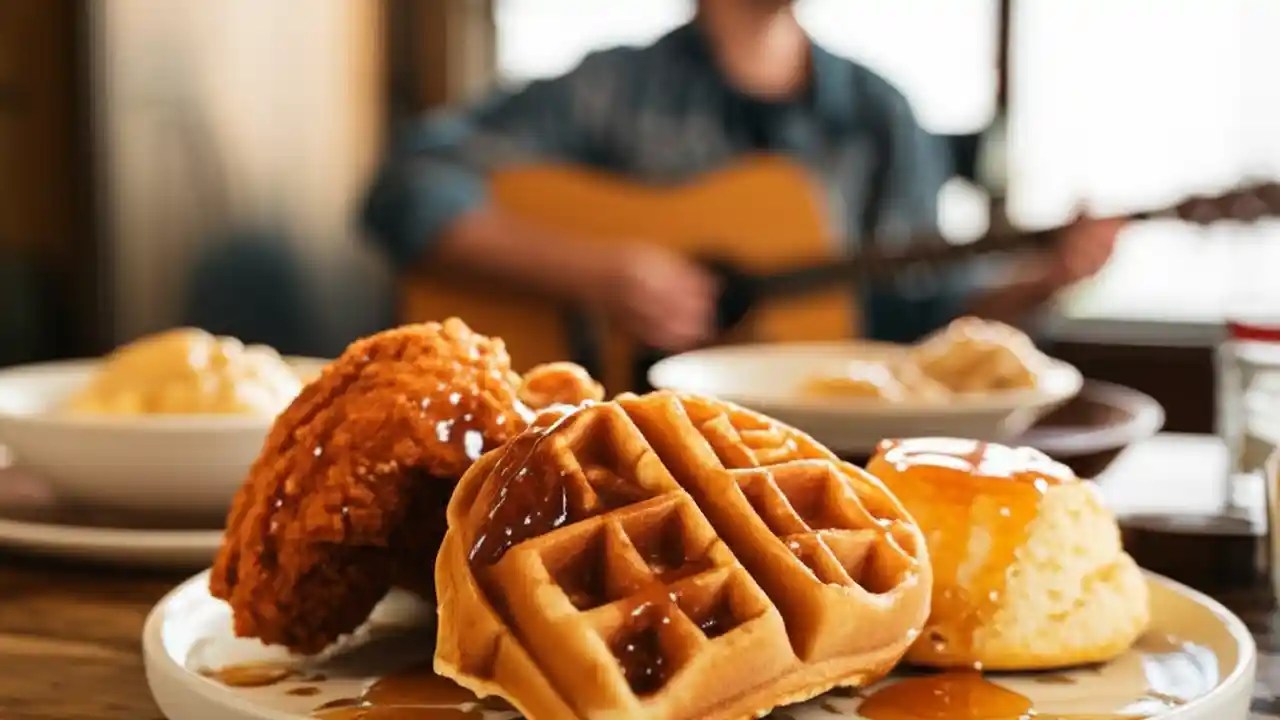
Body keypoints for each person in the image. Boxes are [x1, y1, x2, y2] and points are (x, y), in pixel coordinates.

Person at [363, 0, 1121, 352]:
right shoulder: (610, 89)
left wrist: (1038, 280)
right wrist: (595, 273)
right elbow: (405, 188)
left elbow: (909, 321)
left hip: (809, 456)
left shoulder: (881, 113)